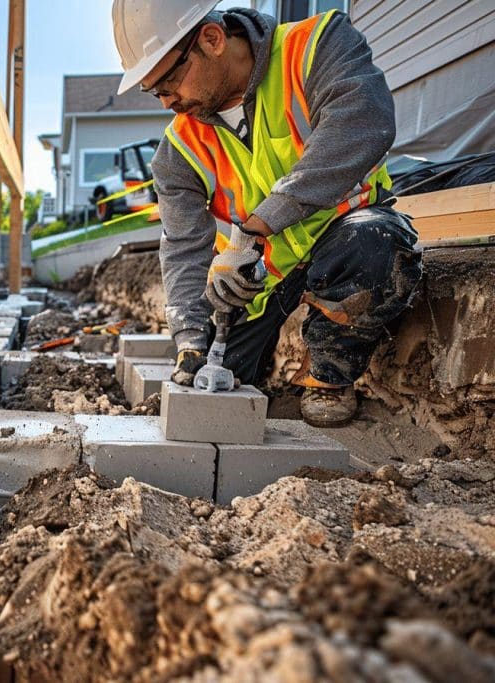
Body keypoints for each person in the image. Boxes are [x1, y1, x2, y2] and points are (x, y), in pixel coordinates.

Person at [111, 1, 422, 427]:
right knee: (218, 377)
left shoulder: (315, 47)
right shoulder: (178, 150)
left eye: (168, 81)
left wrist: (259, 225)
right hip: (263, 273)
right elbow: (184, 246)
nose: (167, 102)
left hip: (345, 232)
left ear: (212, 39)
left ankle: (329, 376)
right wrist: (190, 339)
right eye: (155, 91)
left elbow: (363, 124)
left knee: (373, 246)